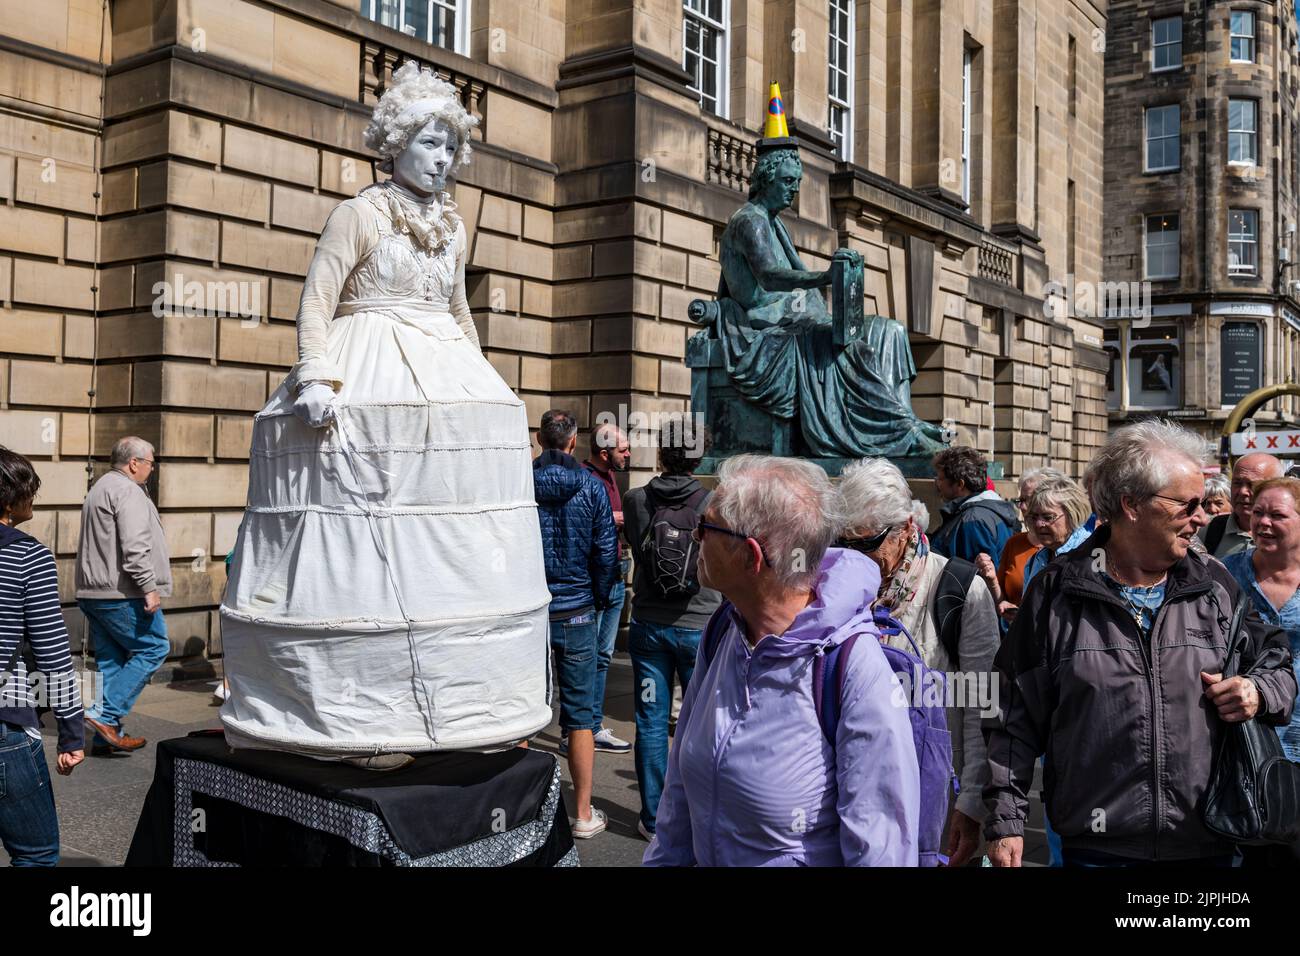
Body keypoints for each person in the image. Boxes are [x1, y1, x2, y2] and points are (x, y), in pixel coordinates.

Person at [219, 61, 553, 763]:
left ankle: (448, 695)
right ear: (395, 143)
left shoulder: (455, 229)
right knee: (356, 531)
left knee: (438, 535)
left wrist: (488, 388)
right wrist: (316, 374)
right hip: (365, 353)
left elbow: (460, 311)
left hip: (441, 356)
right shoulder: (360, 213)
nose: (443, 159)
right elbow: (317, 298)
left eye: (449, 146)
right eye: (430, 143)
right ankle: (348, 700)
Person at [984, 420, 1296, 866]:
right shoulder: (1057, 592)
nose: (1200, 517)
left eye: (1201, 504)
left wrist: (1256, 691)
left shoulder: (1214, 585)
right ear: (1131, 505)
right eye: (1187, 504)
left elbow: (1277, 663)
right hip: (1097, 847)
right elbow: (1011, 714)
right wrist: (1006, 821)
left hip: (1208, 843)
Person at [644, 455, 919, 866]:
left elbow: (881, 849)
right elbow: (680, 797)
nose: (694, 536)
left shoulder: (851, 666)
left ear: (752, 557)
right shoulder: (722, 632)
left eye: (707, 527)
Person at [838, 457, 999, 867]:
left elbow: (984, 704)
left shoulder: (960, 590)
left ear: (907, 528)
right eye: (844, 542)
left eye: (868, 543)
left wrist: (972, 802)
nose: (854, 555)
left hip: (938, 791)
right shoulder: (840, 589)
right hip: (858, 789)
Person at [622, 416, 721, 841]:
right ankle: (697, 813)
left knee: (649, 719)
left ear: (662, 452)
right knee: (702, 721)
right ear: (699, 455)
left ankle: (652, 817)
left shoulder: (634, 498)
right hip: (699, 626)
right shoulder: (714, 502)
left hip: (647, 625)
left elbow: (640, 557)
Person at [533, 409, 619, 839]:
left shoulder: (519, 483)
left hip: (530, 613)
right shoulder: (591, 487)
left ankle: (522, 809)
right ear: (573, 442)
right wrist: (600, 599)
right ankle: (582, 814)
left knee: (524, 711)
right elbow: (607, 552)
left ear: (538, 439)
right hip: (578, 611)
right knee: (581, 717)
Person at [0, 448, 84, 865]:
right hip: (6, 720)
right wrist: (71, 732)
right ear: (9, 498)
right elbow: (52, 650)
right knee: (35, 854)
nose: (33, 497)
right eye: (27, 488)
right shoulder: (25, 555)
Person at [1222, 477, 1300, 866]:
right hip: (1247, 736)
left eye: (1278, 515)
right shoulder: (1225, 575)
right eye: (1258, 513)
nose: (1263, 522)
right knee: (1255, 850)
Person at [75, 436, 170, 754]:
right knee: (154, 648)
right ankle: (103, 715)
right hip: (121, 592)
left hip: (95, 592)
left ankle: (105, 736)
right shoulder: (128, 491)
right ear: (134, 463)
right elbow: (134, 547)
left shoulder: (100, 487)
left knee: (112, 661)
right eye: (150, 463)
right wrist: (149, 587)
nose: (151, 469)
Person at [578, 423, 632, 756]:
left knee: (603, 655)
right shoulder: (586, 479)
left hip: (615, 572)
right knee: (590, 657)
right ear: (603, 452)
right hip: (595, 577)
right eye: (622, 449)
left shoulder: (611, 475)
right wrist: (614, 519)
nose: (628, 454)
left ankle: (591, 725)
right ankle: (584, 728)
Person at [975, 467, 1064, 623]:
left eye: (1027, 500)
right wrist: (992, 580)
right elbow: (1003, 599)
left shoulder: (1067, 549)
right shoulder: (1014, 543)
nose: (1022, 507)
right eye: (1020, 500)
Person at [929, 446, 1019, 567]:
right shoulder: (987, 511)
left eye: (940, 479)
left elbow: (975, 578)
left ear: (960, 484)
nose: (937, 483)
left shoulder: (973, 520)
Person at [1199, 452, 1284, 558]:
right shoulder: (1209, 530)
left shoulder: (1292, 533)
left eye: (1252, 484)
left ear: (1278, 487)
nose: (1243, 491)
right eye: (1237, 483)